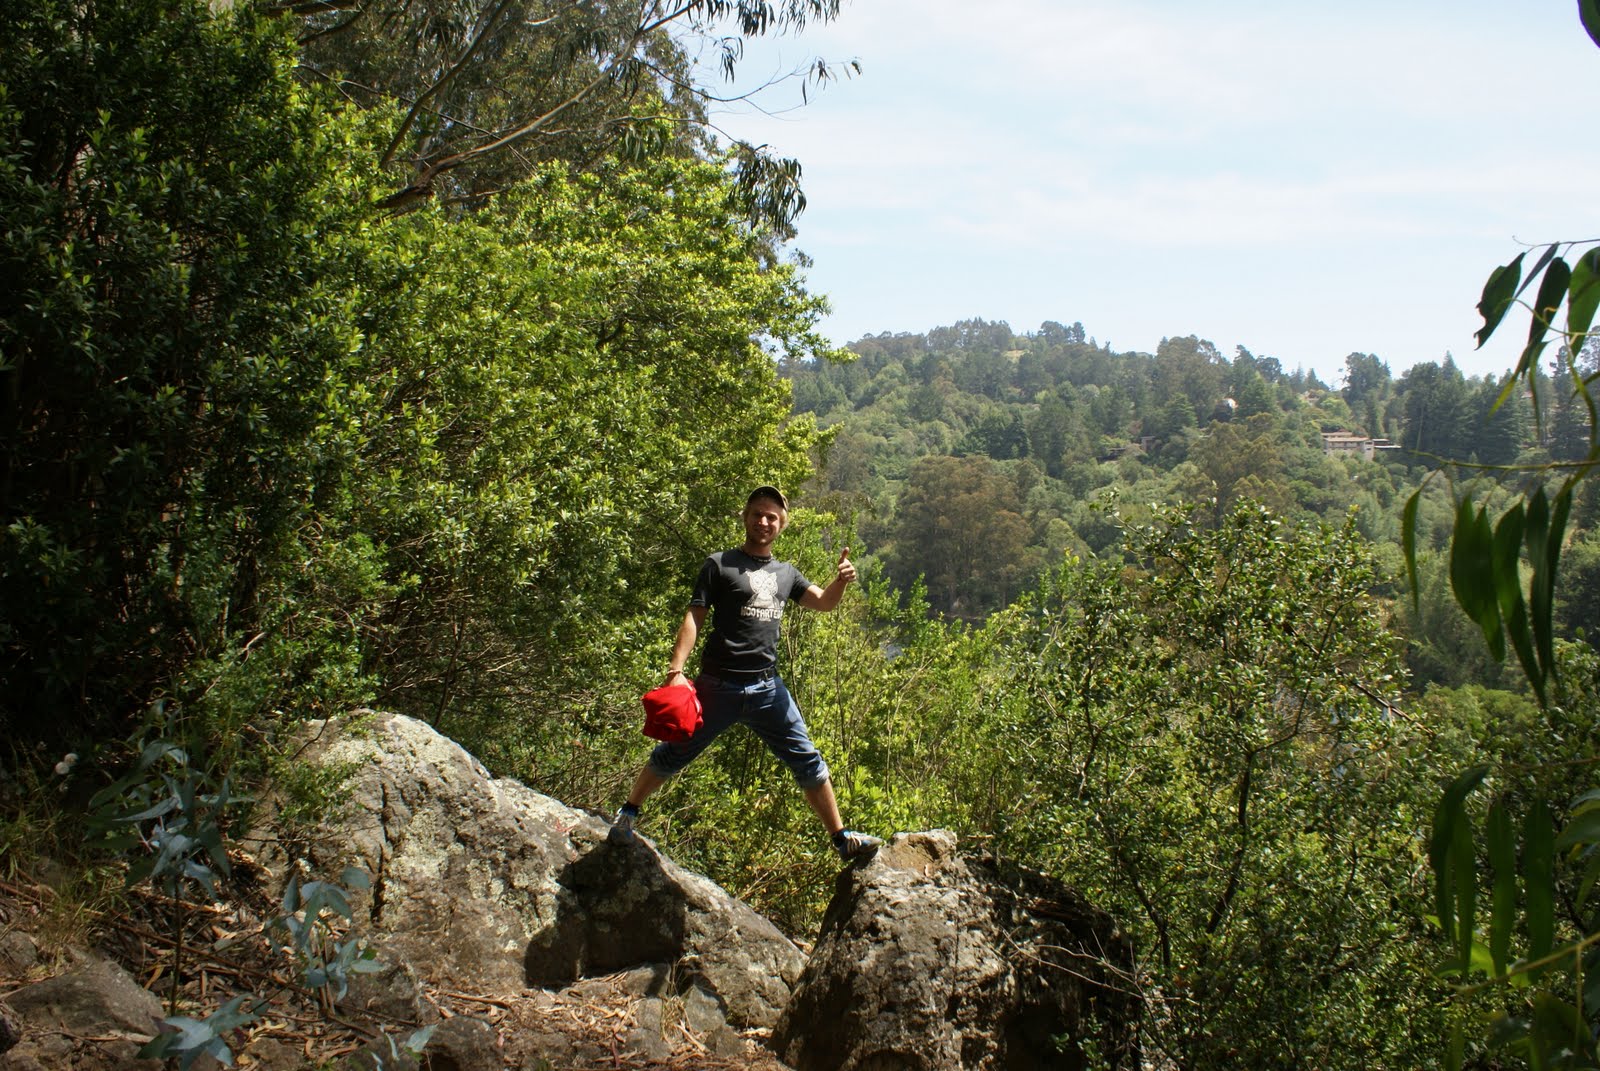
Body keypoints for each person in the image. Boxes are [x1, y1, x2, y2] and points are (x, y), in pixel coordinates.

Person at [614, 485, 884, 860]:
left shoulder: (786, 573)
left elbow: (823, 603)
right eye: (757, 513)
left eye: (772, 517)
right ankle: (627, 813)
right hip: (717, 686)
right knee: (673, 752)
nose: (764, 521)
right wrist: (676, 670)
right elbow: (694, 615)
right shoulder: (719, 564)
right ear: (745, 517)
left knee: (807, 760)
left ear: (782, 525)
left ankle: (841, 839)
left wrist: (840, 581)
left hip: (767, 689)